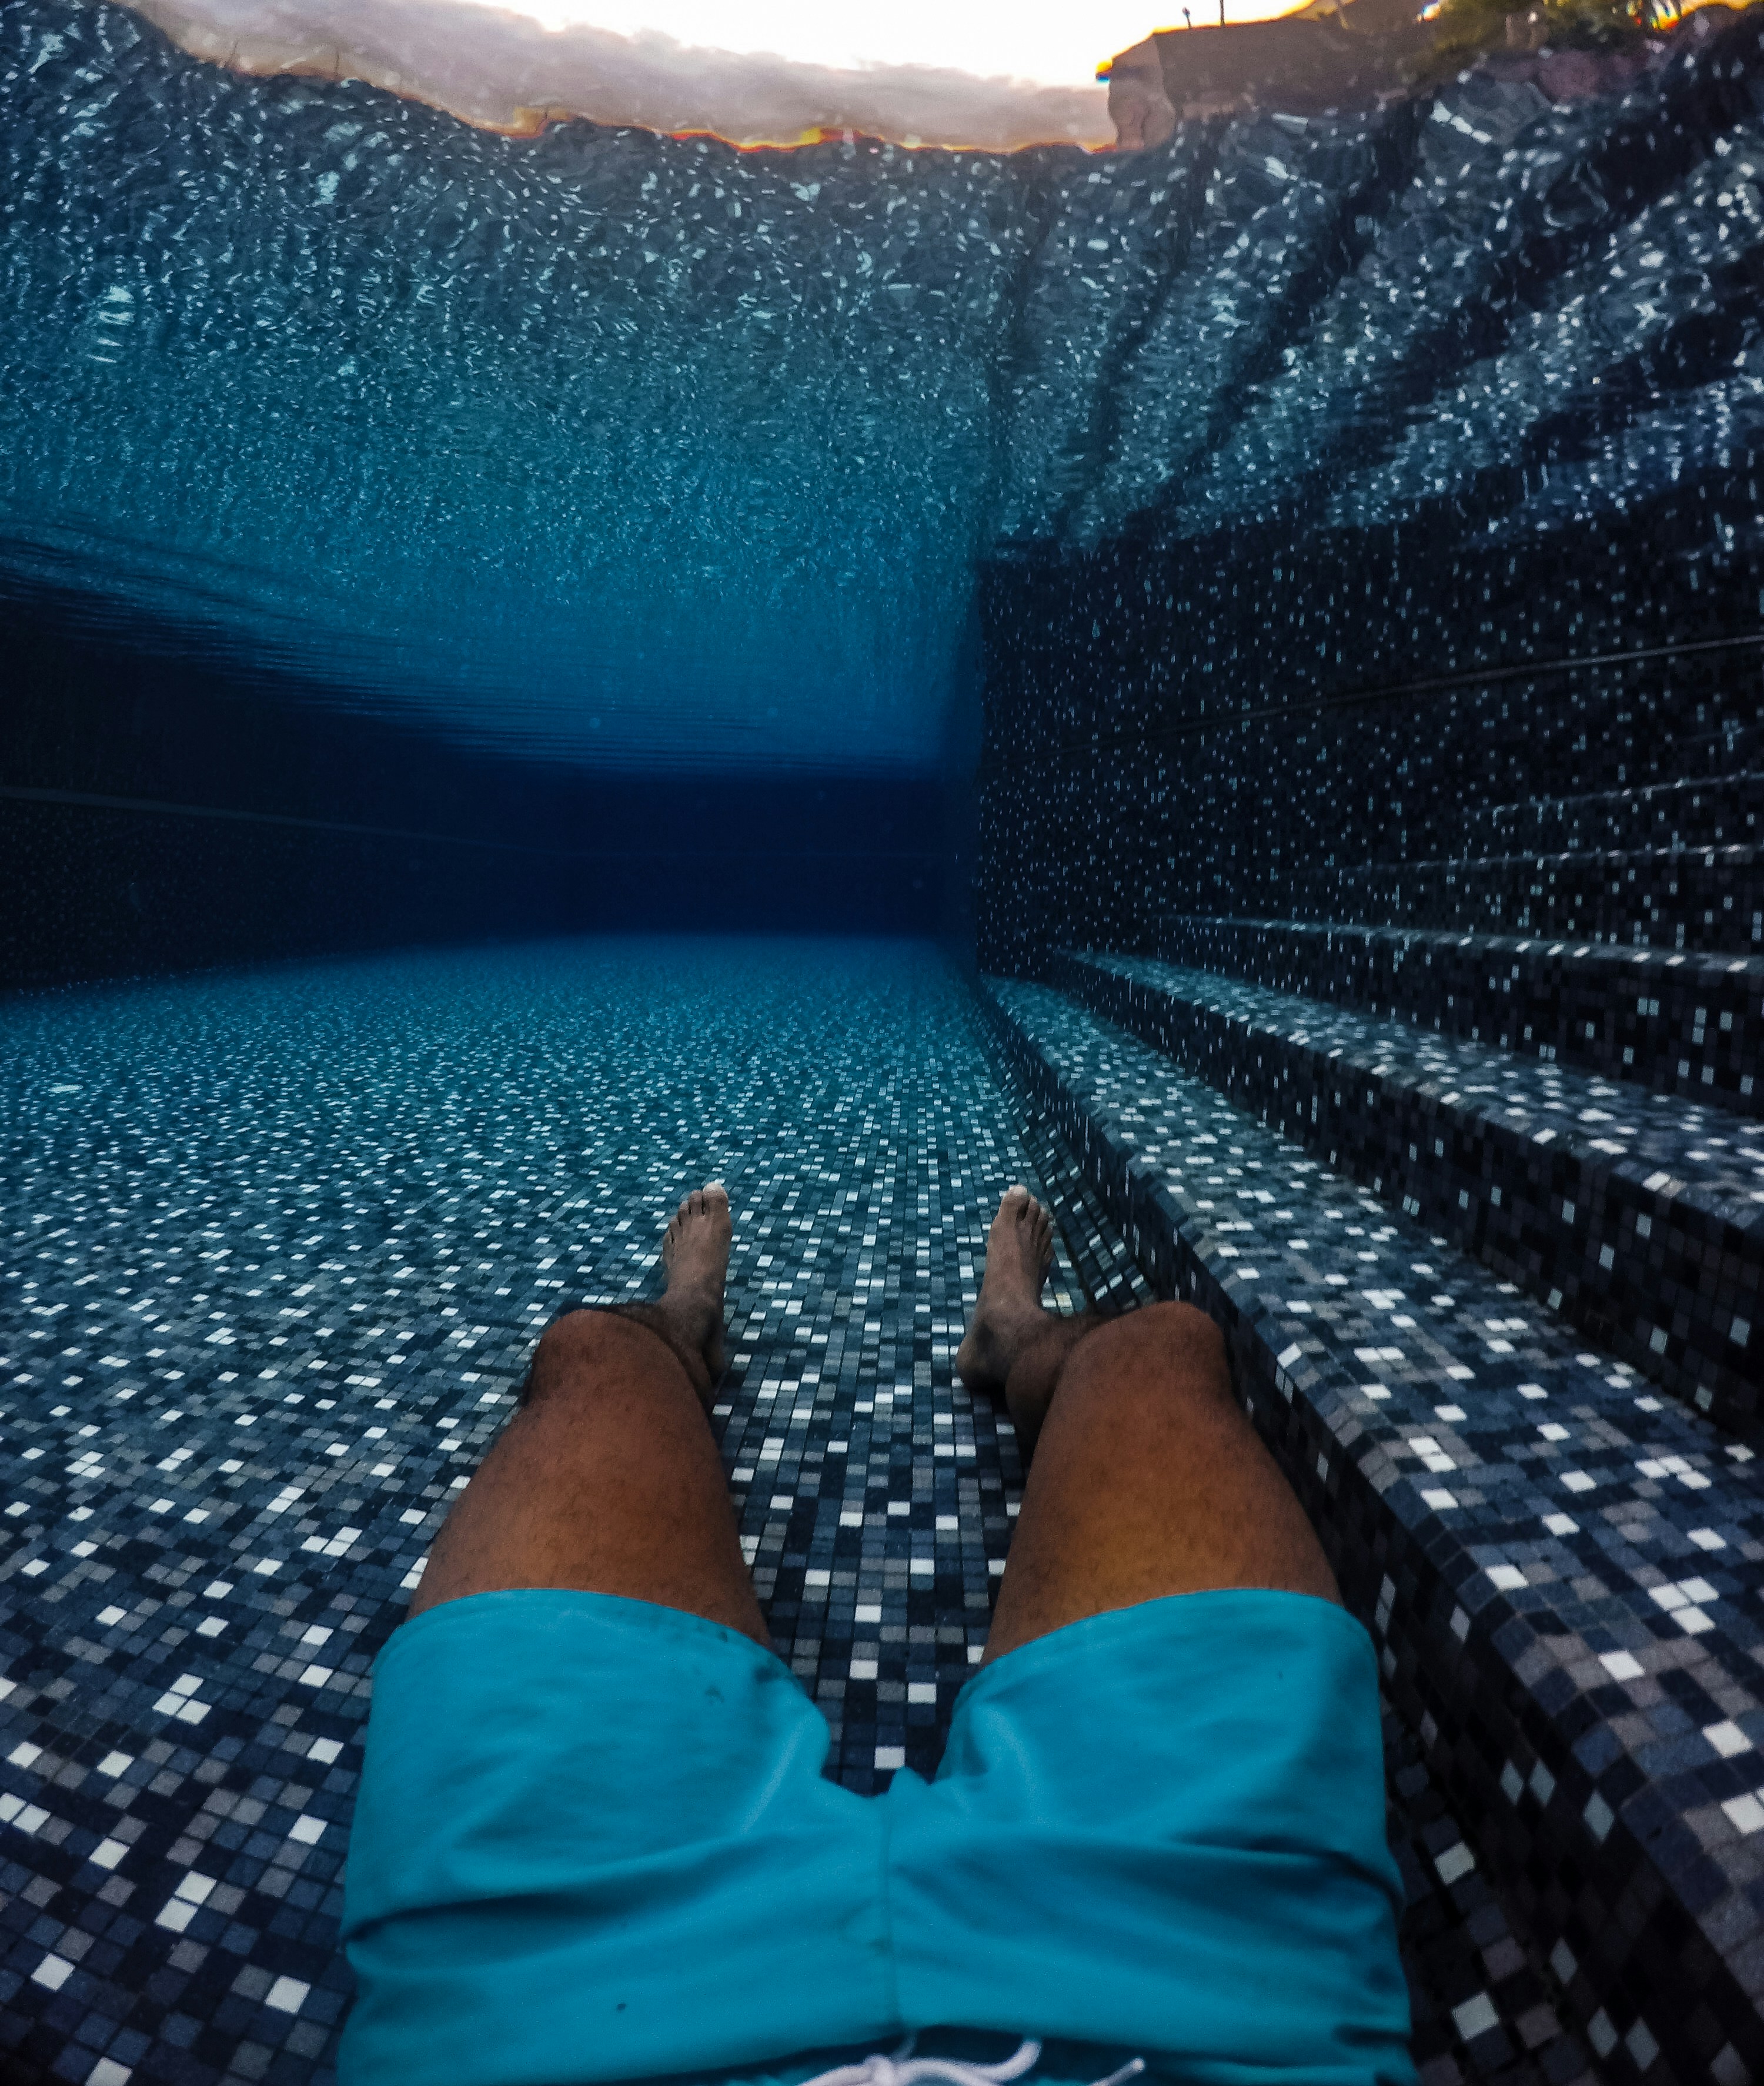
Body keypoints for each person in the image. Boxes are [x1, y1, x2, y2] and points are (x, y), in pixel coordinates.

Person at [339, 1184, 1412, 2086]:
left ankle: (702, 1330)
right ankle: (894, 1331)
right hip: (1198, 1989)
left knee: (589, 1359)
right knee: (1160, 1353)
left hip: (555, 2007)